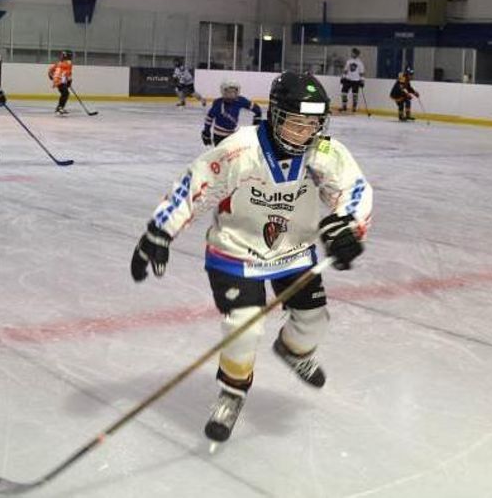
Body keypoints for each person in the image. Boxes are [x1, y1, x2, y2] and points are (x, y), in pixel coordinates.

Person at [130, 71, 373, 443]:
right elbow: (195, 185)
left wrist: (348, 225)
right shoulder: (240, 149)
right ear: (275, 115)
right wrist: (161, 230)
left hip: (294, 252)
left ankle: (293, 351)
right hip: (236, 252)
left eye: (313, 124)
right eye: (295, 122)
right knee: (243, 328)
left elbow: (353, 188)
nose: (304, 133)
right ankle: (233, 390)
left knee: (313, 322)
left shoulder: (323, 152)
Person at [201, 79, 263, 146]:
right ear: (223, 92)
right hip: (218, 136)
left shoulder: (240, 101)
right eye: (228, 92)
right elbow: (209, 117)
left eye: (234, 92)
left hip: (232, 135)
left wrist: (257, 118)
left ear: (237, 92)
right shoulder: (218, 103)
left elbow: (257, 109)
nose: (231, 95)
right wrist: (206, 132)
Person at [339, 48, 365, 113]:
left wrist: (362, 81)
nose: (352, 54)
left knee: (355, 94)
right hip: (348, 79)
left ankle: (354, 107)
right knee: (343, 93)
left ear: (356, 54)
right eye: (352, 53)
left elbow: (361, 73)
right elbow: (345, 70)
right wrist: (343, 77)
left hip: (356, 80)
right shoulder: (349, 61)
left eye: (353, 53)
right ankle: (344, 106)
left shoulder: (360, 63)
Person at [48, 50, 74, 116]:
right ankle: (60, 108)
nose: (71, 57)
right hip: (60, 80)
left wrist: (51, 76)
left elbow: (50, 70)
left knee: (64, 93)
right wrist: (69, 81)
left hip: (57, 79)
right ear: (67, 56)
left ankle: (59, 107)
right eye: (70, 55)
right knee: (65, 93)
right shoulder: (69, 63)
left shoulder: (59, 63)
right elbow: (68, 73)